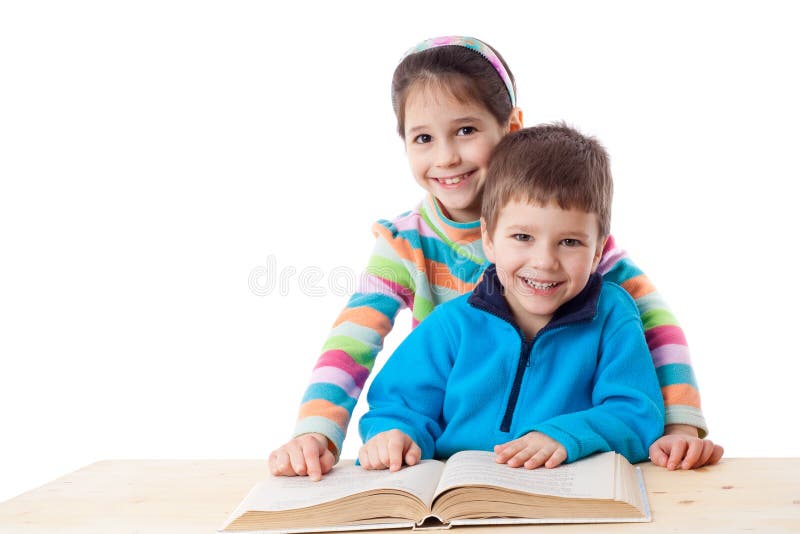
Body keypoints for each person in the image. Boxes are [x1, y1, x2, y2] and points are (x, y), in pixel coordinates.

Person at [268, 36, 722, 480]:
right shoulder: (406, 245)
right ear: (489, 239)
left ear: (510, 126)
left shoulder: (572, 222)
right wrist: (318, 433)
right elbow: (353, 341)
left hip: (567, 460)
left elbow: (655, 323)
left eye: (465, 130)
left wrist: (680, 426)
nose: (447, 157)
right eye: (423, 137)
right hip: (450, 452)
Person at [359, 124, 664, 469]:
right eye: (522, 237)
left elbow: (636, 413)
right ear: (488, 238)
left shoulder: (612, 316)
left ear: (597, 252)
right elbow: (400, 405)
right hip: (458, 502)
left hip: (565, 501)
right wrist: (393, 433)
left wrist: (566, 435)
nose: (544, 262)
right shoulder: (452, 324)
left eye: (570, 242)